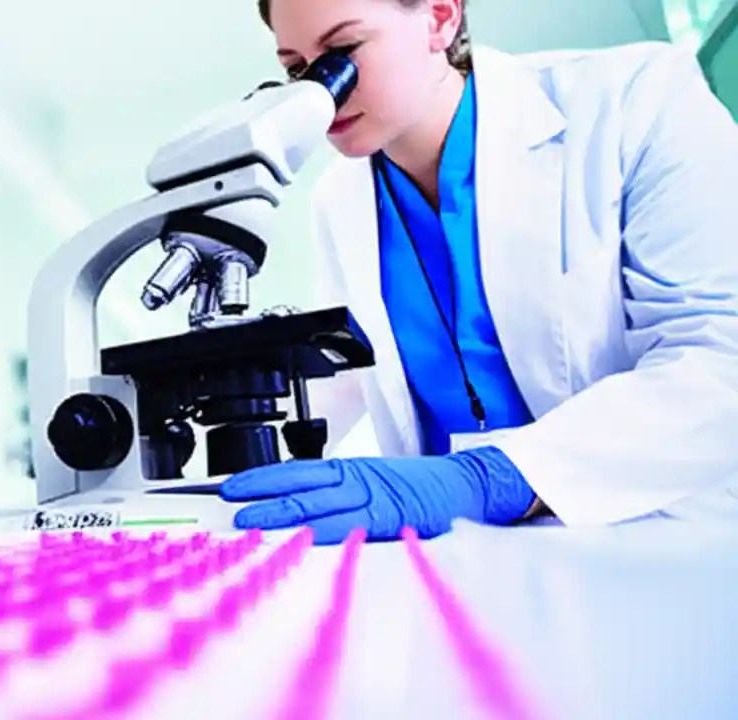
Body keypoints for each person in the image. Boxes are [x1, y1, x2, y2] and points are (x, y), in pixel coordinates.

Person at [218, 0, 738, 543]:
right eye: (297, 71)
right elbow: (347, 377)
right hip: (465, 555)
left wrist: (495, 478)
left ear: (440, 17)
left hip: (664, 538)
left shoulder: (636, 101)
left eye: (342, 52)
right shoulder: (338, 199)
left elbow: (721, 357)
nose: (322, 94)